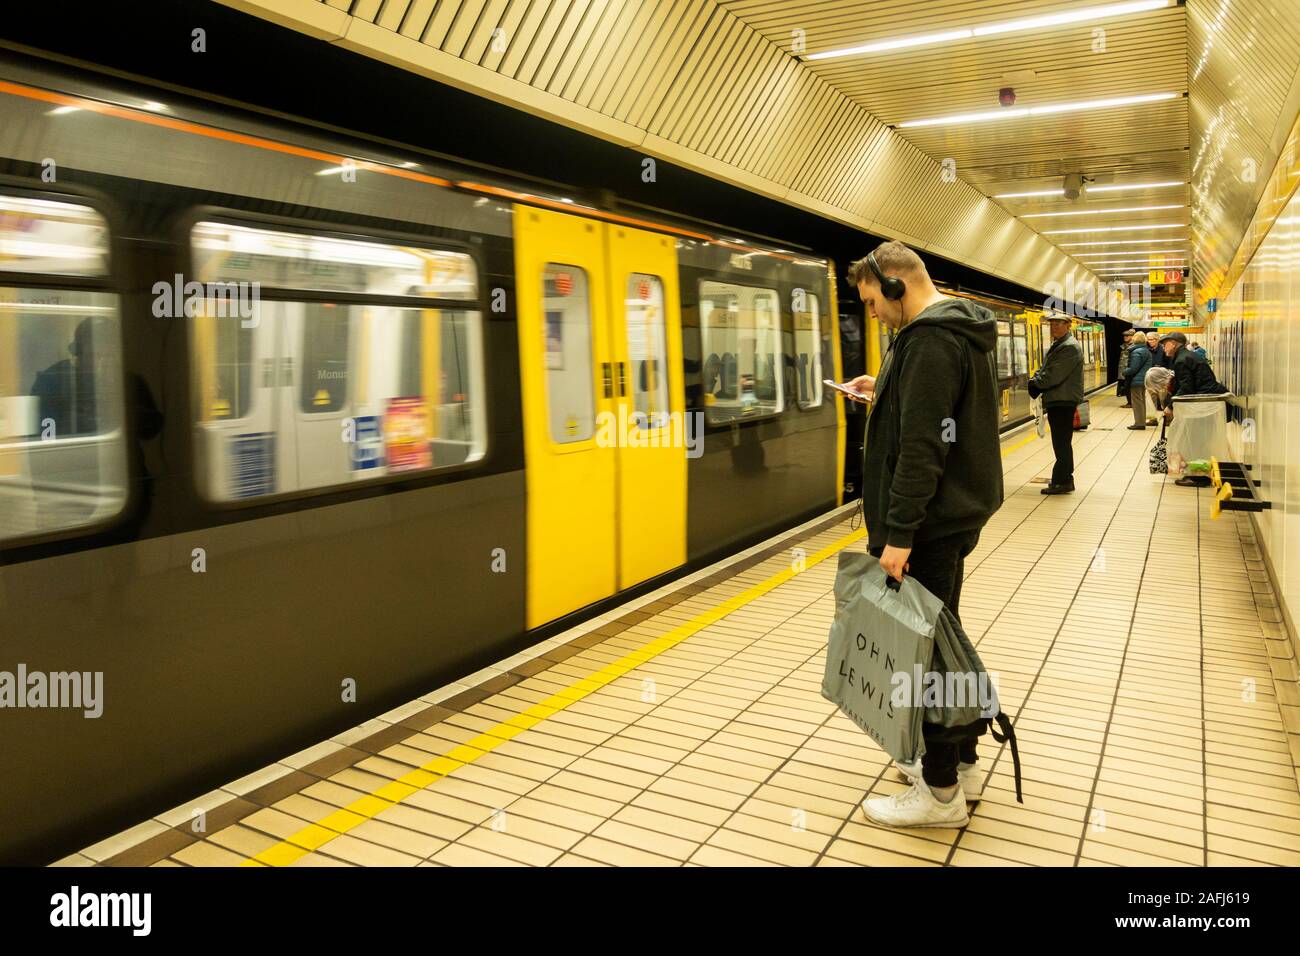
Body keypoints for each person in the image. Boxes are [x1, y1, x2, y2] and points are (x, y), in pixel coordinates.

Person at [841, 240, 1003, 829]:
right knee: (941, 641)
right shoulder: (953, 332)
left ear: (895, 287)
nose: (875, 315)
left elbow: (923, 448)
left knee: (925, 656)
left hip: (927, 526)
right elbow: (936, 418)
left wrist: (899, 534)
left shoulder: (930, 340)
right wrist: (881, 393)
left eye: (873, 303)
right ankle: (960, 762)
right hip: (950, 517)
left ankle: (938, 795)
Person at [1026, 316, 1083, 494]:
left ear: (1068, 325)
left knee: (1061, 442)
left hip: (1062, 400)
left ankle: (1062, 481)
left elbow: (1054, 374)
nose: (1053, 327)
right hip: (1060, 398)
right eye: (1051, 324)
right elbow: (1046, 369)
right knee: (1062, 442)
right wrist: (1036, 379)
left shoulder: (1069, 347)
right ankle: (1065, 479)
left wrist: (1036, 384)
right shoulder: (1062, 344)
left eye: (1058, 324)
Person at [1122, 329, 1153, 430]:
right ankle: (1141, 421)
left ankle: (1139, 423)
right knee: (1141, 401)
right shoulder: (1146, 351)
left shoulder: (1137, 352)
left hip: (1137, 380)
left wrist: (1124, 372)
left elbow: (1133, 368)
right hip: (1143, 379)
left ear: (1135, 339)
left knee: (1137, 402)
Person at [1117, 329, 1135, 406]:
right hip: (1124, 371)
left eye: (1127, 335)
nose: (1125, 337)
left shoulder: (1133, 346)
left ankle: (1131, 403)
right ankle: (1129, 402)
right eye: (1124, 336)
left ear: (1132, 337)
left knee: (1129, 387)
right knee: (1126, 387)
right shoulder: (1124, 346)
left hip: (1130, 370)